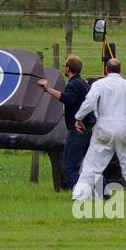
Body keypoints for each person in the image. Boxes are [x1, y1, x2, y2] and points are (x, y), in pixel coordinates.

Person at [71, 58, 126, 202]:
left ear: (106, 70)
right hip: (124, 128)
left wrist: (78, 118)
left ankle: (80, 196)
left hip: (103, 128)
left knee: (92, 165)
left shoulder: (99, 84)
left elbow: (89, 102)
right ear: (120, 70)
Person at [37, 54, 92, 191]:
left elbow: (68, 99)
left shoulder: (73, 84)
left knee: (69, 166)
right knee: (91, 165)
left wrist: (48, 89)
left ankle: (82, 193)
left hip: (77, 130)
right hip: (88, 129)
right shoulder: (83, 84)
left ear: (68, 68)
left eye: (65, 66)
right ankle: (102, 193)